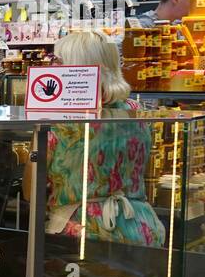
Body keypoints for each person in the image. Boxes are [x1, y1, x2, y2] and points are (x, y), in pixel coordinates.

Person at [45, 29, 164, 246]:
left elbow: (29, 189)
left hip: (82, 233)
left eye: (59, 61)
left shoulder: (61, 123)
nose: (54, 67)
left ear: (76, 70)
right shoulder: (134, 111)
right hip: (140, 226)